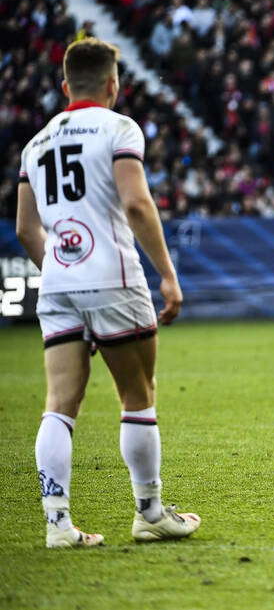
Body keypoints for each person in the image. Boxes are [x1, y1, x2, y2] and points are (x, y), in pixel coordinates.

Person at [15, 38, 200, 548]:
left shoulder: (36, 144)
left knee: (59, 404)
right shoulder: (119, 128)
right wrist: (167, 274)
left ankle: (57, 525)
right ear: (114, 84)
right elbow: (137, 204)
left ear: (64, 85)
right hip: (113, 276)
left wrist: (61, 267)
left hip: (58, 281)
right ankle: (150, 513)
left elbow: (26, 228)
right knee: (137, 395)